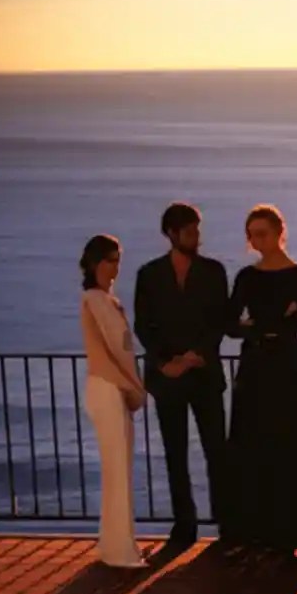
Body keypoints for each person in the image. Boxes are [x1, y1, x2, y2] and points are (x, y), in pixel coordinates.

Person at [226, 205, 297, 553]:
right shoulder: (246, 276)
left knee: (290, 442)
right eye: (252, 234)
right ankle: (253, 532)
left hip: (285, 367)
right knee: (252, 443)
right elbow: (230, 324)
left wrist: (256, 325)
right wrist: (269, 323)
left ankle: (294, 531)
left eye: (262, 232)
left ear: (279, 231)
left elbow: (292, 324)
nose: (257, 239)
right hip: (255, 366)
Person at [133, 202, 230, 550]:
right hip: (168, 378)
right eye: (189, 231)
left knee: (216, 451)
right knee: (175, 454)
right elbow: (144, 325)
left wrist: (193, 357)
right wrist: (164, 363)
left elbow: (219, 321)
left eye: (197, 230)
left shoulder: (214, 271)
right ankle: (184, 524)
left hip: (203, 374)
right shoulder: (149, 275)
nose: (196, 237)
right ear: (171, 234)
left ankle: (226, 521)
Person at [80, 235, 149, 568]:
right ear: (94, 263)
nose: (115, 266)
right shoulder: (93, 300)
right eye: (109, 259)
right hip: (108, 390)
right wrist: (132, 387)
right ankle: (121, 553)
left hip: (115, 390)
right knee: (118, 473)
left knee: (117, 473)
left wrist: (132, 387)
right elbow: (104, 356)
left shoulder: (110, 301)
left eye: (118, 259)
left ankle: (115, 545)